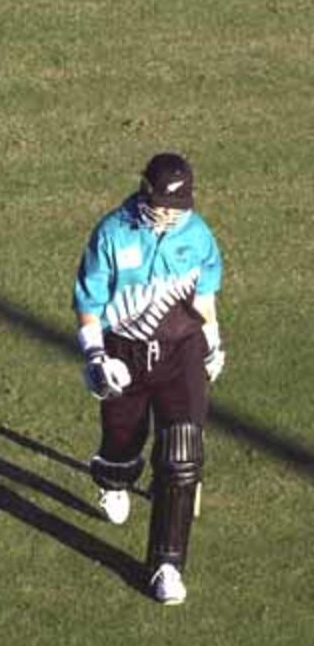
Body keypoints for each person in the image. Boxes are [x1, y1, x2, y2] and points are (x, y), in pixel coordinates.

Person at [72, 151, 225, 605]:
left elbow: (204, 295)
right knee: (122, 440)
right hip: (125, 352)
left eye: (176, 208)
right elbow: (88, 302)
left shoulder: (197, 235)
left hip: (181, 350)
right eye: (160, 206)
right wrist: (96, 357)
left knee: (182, 454)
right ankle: (113, 479)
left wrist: (213, 342)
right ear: (144, 193)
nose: (167, 216)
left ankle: (166, 565)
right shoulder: (113, 233)